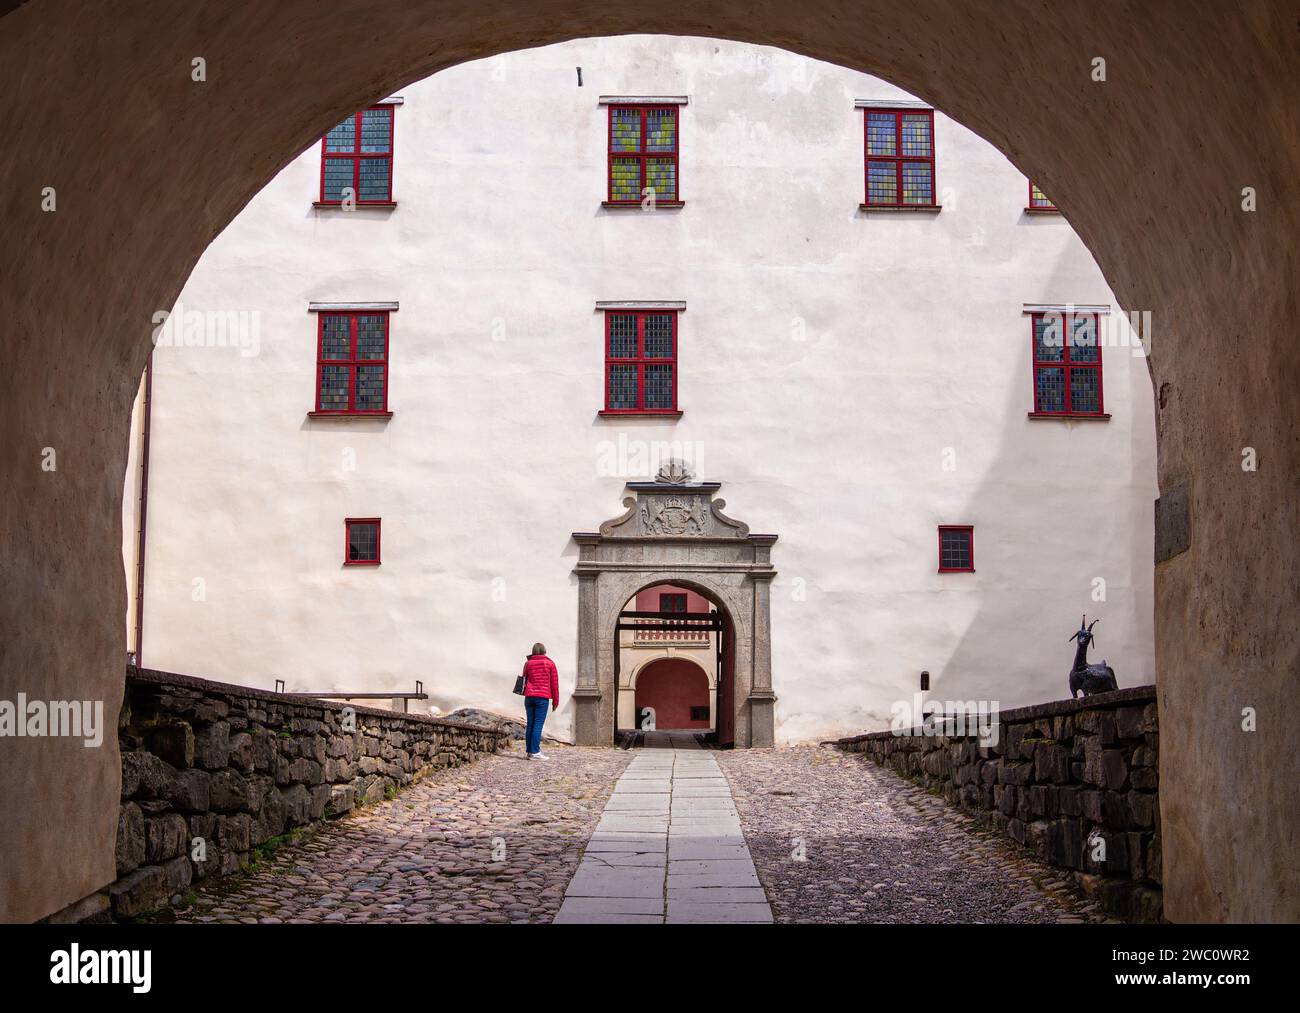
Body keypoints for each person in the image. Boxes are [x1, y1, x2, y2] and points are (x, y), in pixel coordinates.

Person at [521, 642, 559, 760]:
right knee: (537, 725)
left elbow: (524, 679)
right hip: (542, 698)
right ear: (544, 651)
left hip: (529, 697)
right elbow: (554, 684)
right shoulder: (550, 664)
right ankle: (535, 752)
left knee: (530, 724)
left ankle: (529, 751)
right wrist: (555, 701)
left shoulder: (528, 664)